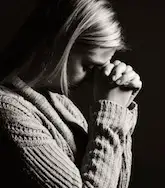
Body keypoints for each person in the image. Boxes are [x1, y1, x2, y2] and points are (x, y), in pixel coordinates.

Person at [0, 0, 142, 188]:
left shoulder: (59, 103)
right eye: (89, 66)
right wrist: (112, 114)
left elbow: (117, 183)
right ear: (56, 44)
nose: (95, 79)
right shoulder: (8, 112)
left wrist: (120, 113)